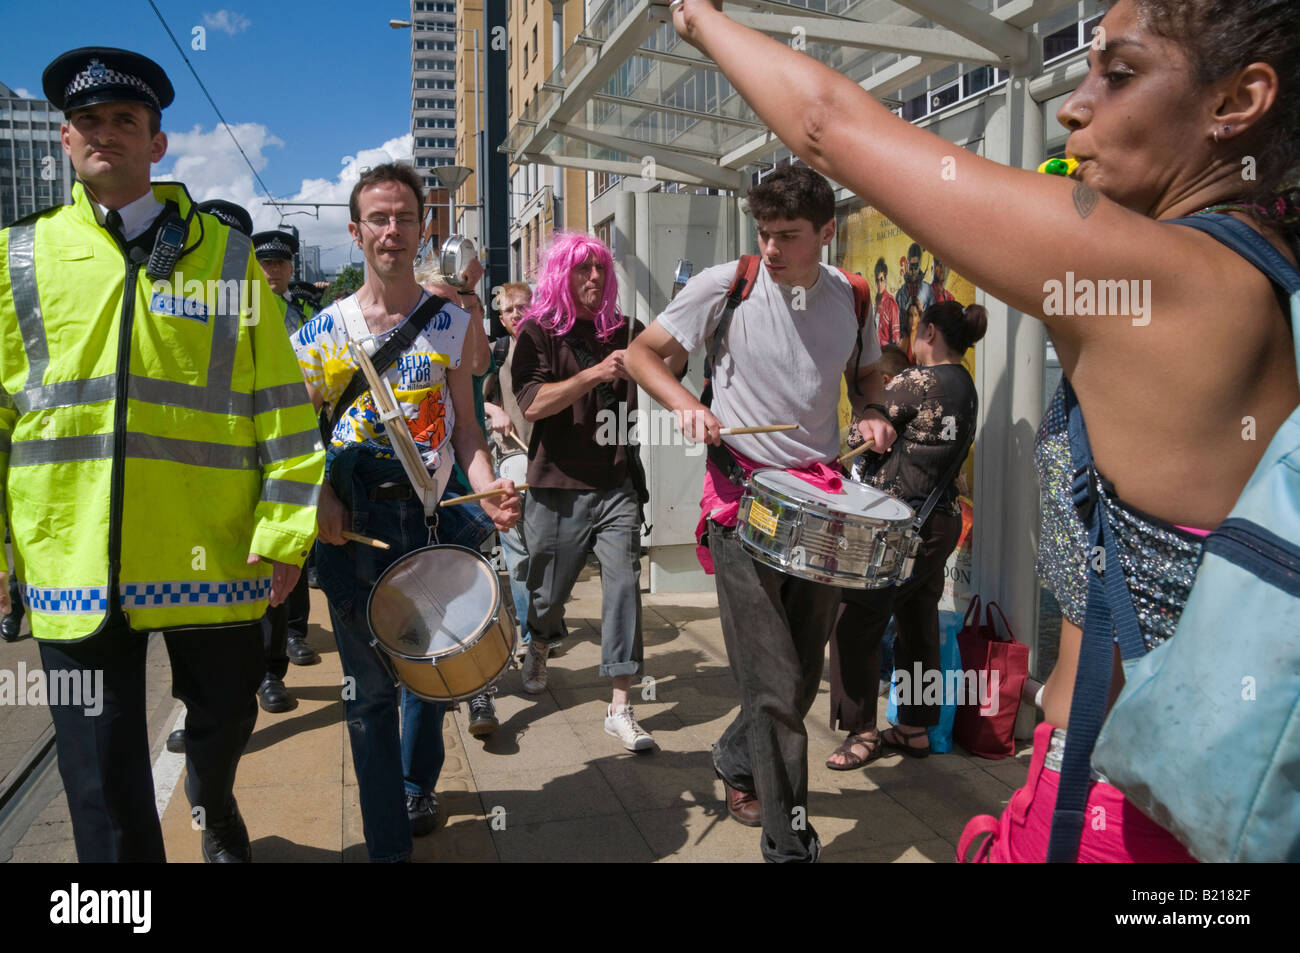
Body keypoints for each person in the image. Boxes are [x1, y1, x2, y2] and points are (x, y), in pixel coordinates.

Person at [668, 0, 1299, 862]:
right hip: (1193, 812)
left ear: (1239, 103)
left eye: (1117, 73)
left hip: (1117, 818)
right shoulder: (1269, 276)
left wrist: (701, 18)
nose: (1074, 105)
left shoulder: (1164, 277)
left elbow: (826, 125)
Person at [0, 47, 324, 862]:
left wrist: (286, 529)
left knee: (226, 712)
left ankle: (212, 796)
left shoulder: (226, 257)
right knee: (98, 776)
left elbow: (281, 406)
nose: (104, 133)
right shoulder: (17, 260)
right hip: (71, 557)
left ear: (156, 143)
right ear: (66, 142)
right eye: (88, 122)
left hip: (210, 546)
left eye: (124, 120)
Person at [627, 165, 897, 862]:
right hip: (744, 503)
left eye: (789, 235)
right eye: (764, 233)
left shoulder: (854, 296)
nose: (772, 248)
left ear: (826, 233)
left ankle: (732, 755)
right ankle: (789, 841)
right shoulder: (727, 283)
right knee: (775, 685)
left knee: (803, 674)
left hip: (820, 505)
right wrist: (687, 404)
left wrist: (871, 411)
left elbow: (867, 377)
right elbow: (640, 355)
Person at [294, 162, 520, 862]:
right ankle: (387, 845)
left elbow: (467, 430)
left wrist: (488, 488)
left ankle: (418, 784)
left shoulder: (449, 321)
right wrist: (321, 492)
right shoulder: (322, 332)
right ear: (357, 231)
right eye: (378, 219)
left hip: (431, 517)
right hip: (354, 525)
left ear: (425, 228)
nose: (392, 230)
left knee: (429, 671)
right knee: (367, 696)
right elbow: (297, 437)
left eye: (404, 217)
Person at [510, 232, 656, 752]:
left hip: (617, 486)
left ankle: (620, 704)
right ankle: (540, 640)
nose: (593, 279)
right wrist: (594, 372)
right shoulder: (537, 333)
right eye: (581, 270)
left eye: (600, 270)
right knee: (548, 593)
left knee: (623, 587)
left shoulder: (628, 331)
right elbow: (531, 404)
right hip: (556, 487)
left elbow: (669, 365)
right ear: (560, 276)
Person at [826, 301, 985, 769]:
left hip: (903, 527)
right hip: (938, 521)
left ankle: (862, 730)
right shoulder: (966, 386)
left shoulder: (918, 382)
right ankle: (915, 727)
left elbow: (859, 433)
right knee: (917, 624)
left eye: (918, 331)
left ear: (929, 332)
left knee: (854, 622)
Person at [414, 259, 499, 735]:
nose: (448, 312)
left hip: (466, 470)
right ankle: (431, 679)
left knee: (470, 580)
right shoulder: (410, 329)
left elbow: (481, 362)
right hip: (418, 478)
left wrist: (467, 301)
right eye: (440, 301)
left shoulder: (461, 317)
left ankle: (479, 691)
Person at [252, 228, 321, 713]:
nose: (275, 270)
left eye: (282, 263)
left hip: (299, 437)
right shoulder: (241, 304)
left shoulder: (306, 311)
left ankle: (291, 639)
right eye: (267, 262)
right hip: (248, 443)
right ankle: (255, 667)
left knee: (294, 545)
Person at [482, 282, 535, 661]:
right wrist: (492, 410)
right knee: (517, 557)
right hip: (510, 462)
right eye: (510, 310)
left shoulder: (553, 345)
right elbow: (465, 398)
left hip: (551, 465)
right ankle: (531, 635)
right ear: (501, 318)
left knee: (548, 552)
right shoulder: (494, 353)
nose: (517, 314)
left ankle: (543, 625)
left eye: (523, 306)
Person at [873, 256, 900, 349]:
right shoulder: (874, 302)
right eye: (877, 280)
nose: (879, 284)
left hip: (886, 352)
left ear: (885, 280)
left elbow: (896, 337)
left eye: (881, 280)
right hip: (874, 351)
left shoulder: (890, 303)